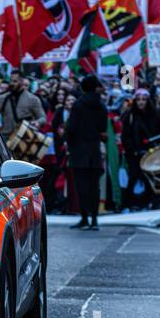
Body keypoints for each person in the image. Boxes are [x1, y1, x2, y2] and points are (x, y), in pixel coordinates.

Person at [64, 74, 107, 230]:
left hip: (79, 150)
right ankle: (94, 219)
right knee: (94, 186)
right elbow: (103, 127)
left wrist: (69, 142)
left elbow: (71, 128)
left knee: (81, 186)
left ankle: (84, 218)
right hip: (94, 149)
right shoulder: (101, 105)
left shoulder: (78, 105)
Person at [119, 88, 160, 210]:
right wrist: (133, 150)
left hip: (151, 151)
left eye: (144, 99)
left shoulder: (156, 114)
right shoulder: (129, 115)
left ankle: (149, 203)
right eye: (139, 99)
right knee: (134, 176)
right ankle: (127, 204)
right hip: (134, 153)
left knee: (150, 178)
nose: (141, 102)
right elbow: (125, 135)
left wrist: (156, 146)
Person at [0, 70, 47, 142]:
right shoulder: (1, 99)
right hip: (5, 140)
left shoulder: (33, 99)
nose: (11, 83)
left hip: (24, 140)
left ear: (22, 82)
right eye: (10, 81)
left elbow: (42, 117)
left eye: (15, 81)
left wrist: (38, 122)